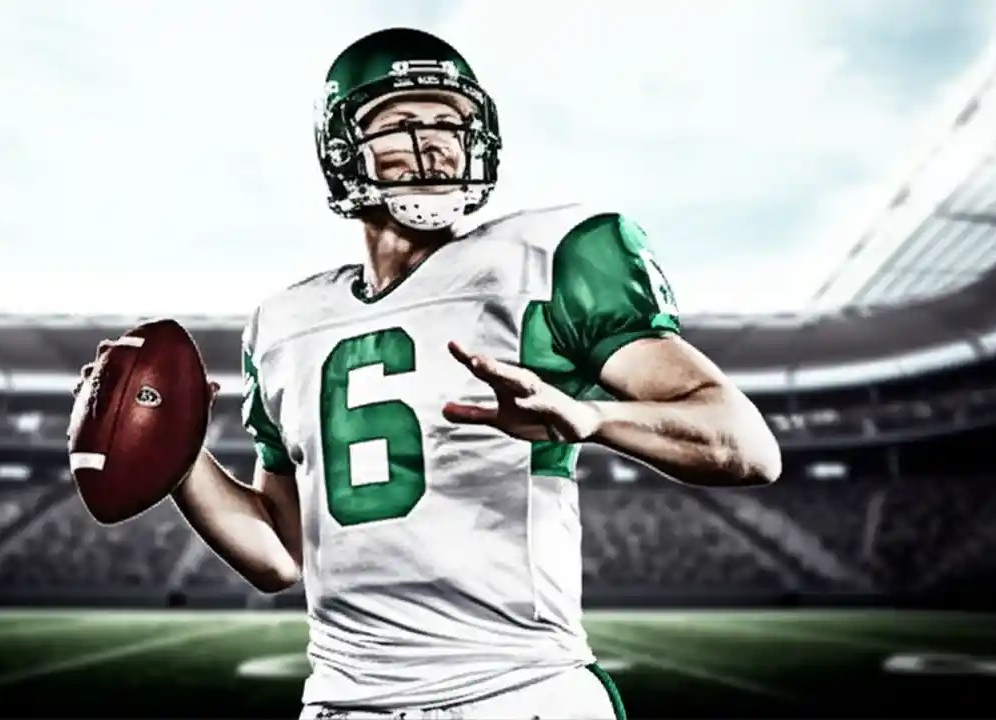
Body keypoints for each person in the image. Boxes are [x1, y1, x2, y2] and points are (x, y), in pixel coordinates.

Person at [75, 27, 781, 720]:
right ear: (343, 148)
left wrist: (593, 419)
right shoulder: (284, 324)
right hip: (346, 701)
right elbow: (279, 556)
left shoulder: (546, 260)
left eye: (453, 121)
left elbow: (746, 445)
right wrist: (173, 453)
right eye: (404, 121)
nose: (436, 140)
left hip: (518, 691)